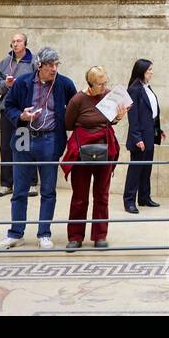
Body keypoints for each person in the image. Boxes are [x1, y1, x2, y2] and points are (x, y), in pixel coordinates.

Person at [0, 46, 78, 250]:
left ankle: (44, 233)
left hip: (50, 139)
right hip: (25, 136)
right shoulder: (23, 83)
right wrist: (21, 116)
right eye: (50, 65)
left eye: (57, 64)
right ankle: (16, 233)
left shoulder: (65, 84)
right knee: (20, 189)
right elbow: (9, 106)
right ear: (39, 65)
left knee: (48, 190)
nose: (54, 69)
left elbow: (76, 108)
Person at [61, 66, 125, 249]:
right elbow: (68, 123)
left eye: (106, 82)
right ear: (90, 84)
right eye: (100, 84)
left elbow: (111, 119)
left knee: (102, 195)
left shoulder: (109, 95)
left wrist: (118, 118)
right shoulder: (78, 100)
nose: (104, 87)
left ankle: (100, 235)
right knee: (80, 196)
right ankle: (75, 236)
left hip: (105, 147)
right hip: (82, 150)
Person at [0, 33, 34, 197]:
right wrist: (6, 84)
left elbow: (38, 83)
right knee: (6, 147)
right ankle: (6, 183)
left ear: (25, 44)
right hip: (7, 110)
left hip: (26, 111)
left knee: (26, 146)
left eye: (19, 41)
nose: (15, 44)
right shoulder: (4, 63)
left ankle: (30, 182)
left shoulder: (34, 62)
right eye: (13, 42)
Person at [124, 58, 164, 213]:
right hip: (139, 136)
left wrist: (158, 130)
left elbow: (151, 112)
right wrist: (137, 138)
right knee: (136, 169)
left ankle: (144, 197)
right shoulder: (134, 89)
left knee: (146, 167)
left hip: (149, 133)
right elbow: (133, 117)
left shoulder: (146, 87)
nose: (152, 72)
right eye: (149, 70)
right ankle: (129, 201)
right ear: (141, 71)